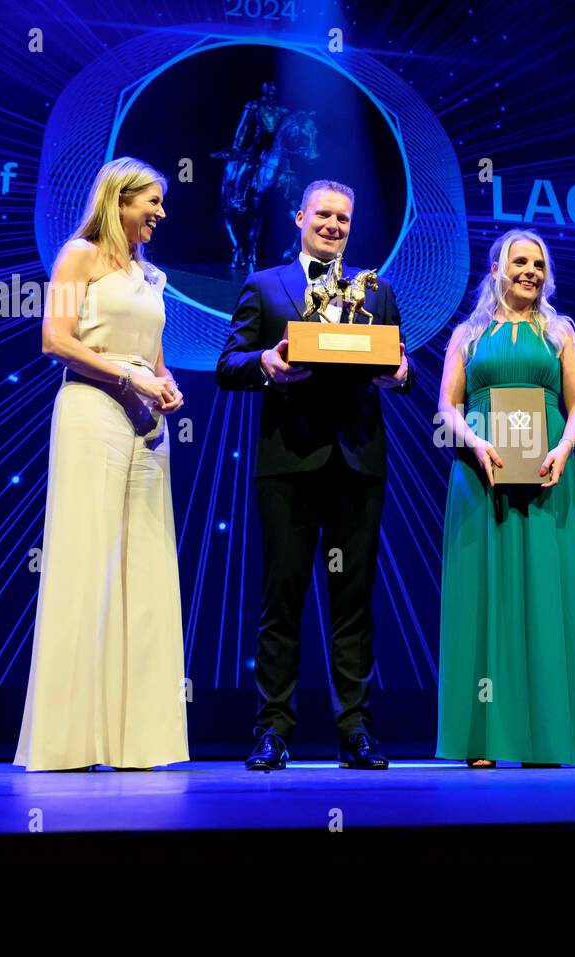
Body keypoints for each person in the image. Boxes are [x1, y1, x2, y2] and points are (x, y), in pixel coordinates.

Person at [216, 179, 411, 771]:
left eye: (344, 218)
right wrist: (267, 364)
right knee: (282, 598)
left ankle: (356, 731)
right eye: (323, 214)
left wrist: (399, 375)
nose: (333, 225)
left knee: (354, 603)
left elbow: (402, 364)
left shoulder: (377, 291)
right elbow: (229, 364)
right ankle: (273, 729)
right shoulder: (264, 285)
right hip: (288, 464)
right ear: (299, 216)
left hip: (357, 461)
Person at [15, 156, 189, 772]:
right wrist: (127, 373)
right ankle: (70, 742)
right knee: (88, 561)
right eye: (152, 202)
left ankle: (137, 740)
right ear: (119, 201)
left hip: (146, 423)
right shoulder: (77, 255)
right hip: (91, 412)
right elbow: (54, 338)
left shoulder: (151, 276)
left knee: (145, 570)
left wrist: (164, 384)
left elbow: (155, 355)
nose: (161, 214)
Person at [435, 228, 575, 768]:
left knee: (546, 594)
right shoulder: (467, 334)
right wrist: (472, 439)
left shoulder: (560, 331)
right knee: (483, 597)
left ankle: (548, 737)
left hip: (547, 473)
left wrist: (563, 449)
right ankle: (485, 740)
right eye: (519, 262)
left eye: (538, 264)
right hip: (480, 472)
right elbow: (447, 405)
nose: (530, 272)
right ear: (496, 269)